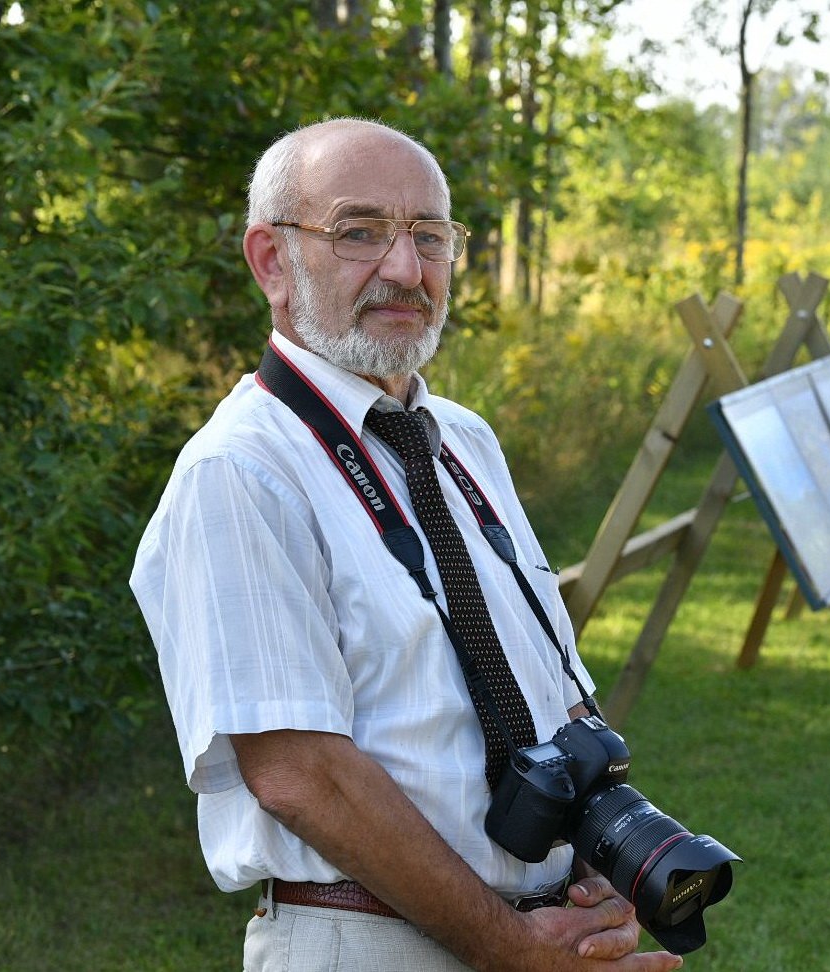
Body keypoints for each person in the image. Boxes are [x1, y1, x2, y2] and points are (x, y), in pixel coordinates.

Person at [130, 118, 684, 971]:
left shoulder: (462, 441)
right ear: (272, 261)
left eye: (429, 237)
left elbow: (545, 691)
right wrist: (516, 952)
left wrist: (601, 864)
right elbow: (300, 774)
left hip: (530, 936)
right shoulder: (240, 473)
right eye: (359, 232)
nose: (404, 269)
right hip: (374, 945)